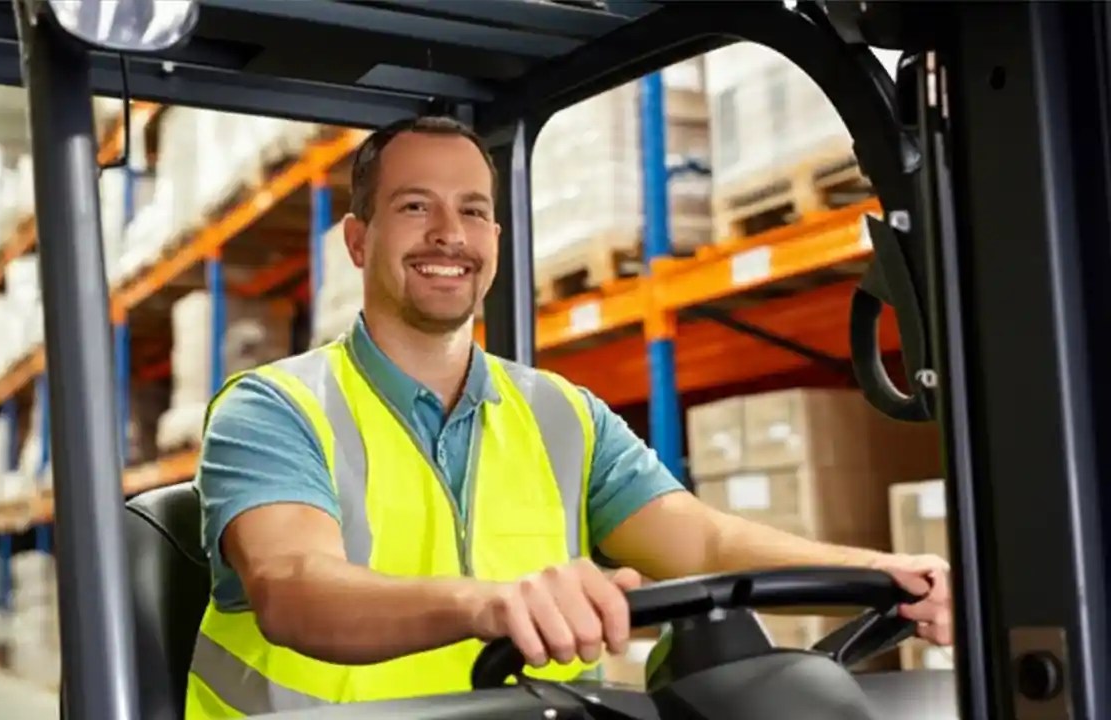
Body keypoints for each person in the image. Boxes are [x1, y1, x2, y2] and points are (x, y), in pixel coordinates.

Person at [183, 116, 953, 717]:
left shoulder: (562, 413)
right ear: (359, 240)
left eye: (473, 211)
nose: (449, 233)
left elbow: (704, 542)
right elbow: (294, 585)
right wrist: (493, 604)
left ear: (495, 238)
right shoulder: (275, 407)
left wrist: (880, 574)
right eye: (415, 206)